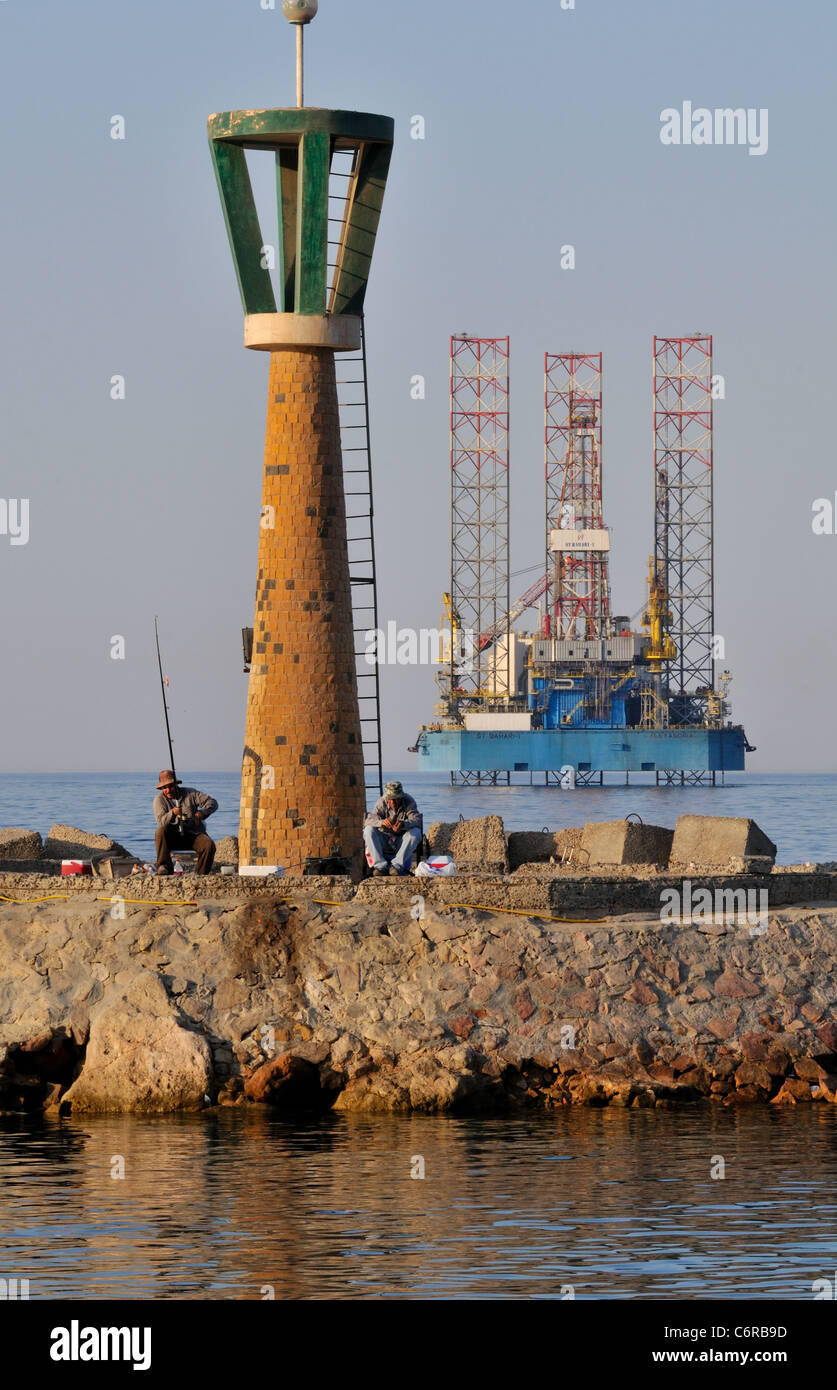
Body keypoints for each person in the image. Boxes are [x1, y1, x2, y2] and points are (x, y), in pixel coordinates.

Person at [154, 770, 218, 875]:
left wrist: (203, 812)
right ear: (161, 788)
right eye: (165, 788)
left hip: (193, 835)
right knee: (160, 832)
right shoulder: (159, 800)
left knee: (208, 845)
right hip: (173, 837)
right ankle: (164, 867)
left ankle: (201, 874)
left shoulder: (190, 793)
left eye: (171, 786)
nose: (168, 790)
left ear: (176, 785)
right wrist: (172, 813)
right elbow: (161, 822)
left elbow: (213, 802)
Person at [363, 780, 423, 877]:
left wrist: (404, 824)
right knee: (368, 830)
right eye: (390, 799)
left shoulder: (408, 801)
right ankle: (380, 867)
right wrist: (381, 822)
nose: (393, 802)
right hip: (385, 840)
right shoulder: (381, 802)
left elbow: (417, 820)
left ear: (401, 797)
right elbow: (368, 821)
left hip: (401, 841)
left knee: (416, 833)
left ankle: (397, 866)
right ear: (386, 798)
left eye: (396, 799)